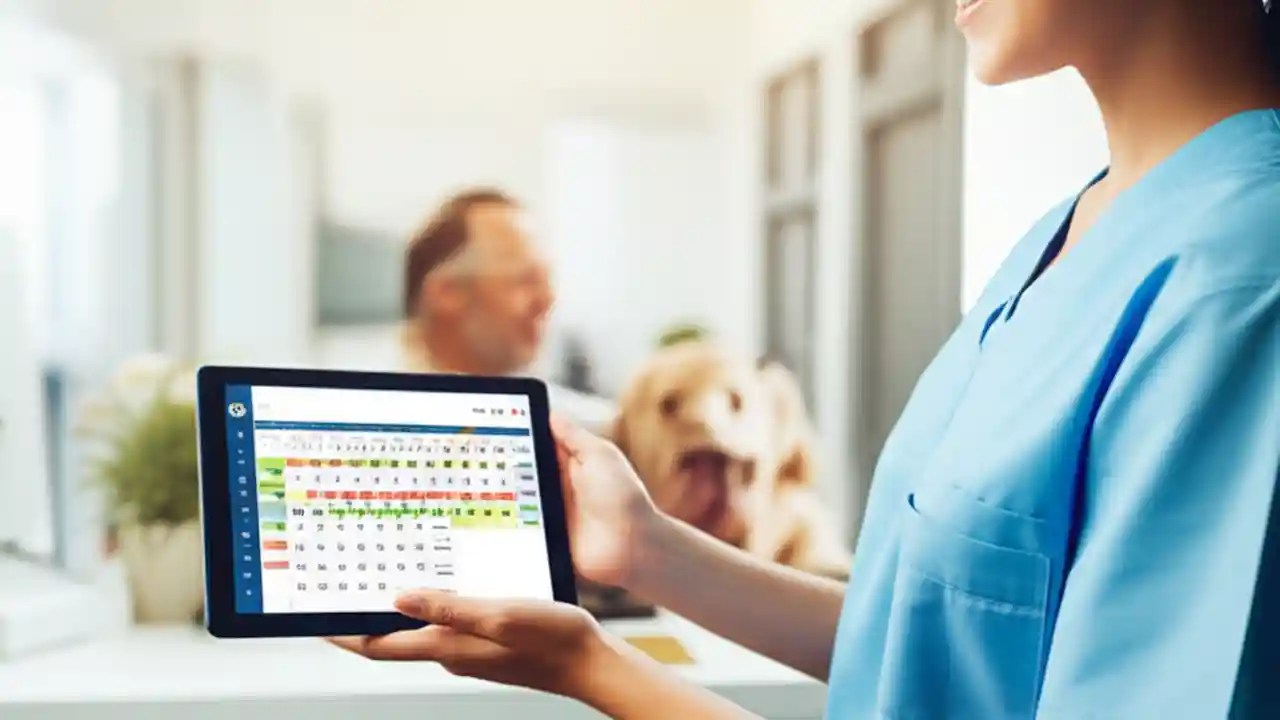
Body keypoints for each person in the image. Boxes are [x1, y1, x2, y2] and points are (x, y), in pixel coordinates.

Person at [332, 1, 1280, 717]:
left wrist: (594, 671)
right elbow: (930, 649)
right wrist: (652, 550)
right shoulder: (1069, 230)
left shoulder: (1241, 271)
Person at [399, 188, 614, 433]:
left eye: (546, 280)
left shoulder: (588, 427)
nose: (548, 299)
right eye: (525, 280)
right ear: (447, 292)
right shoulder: (374, 419)